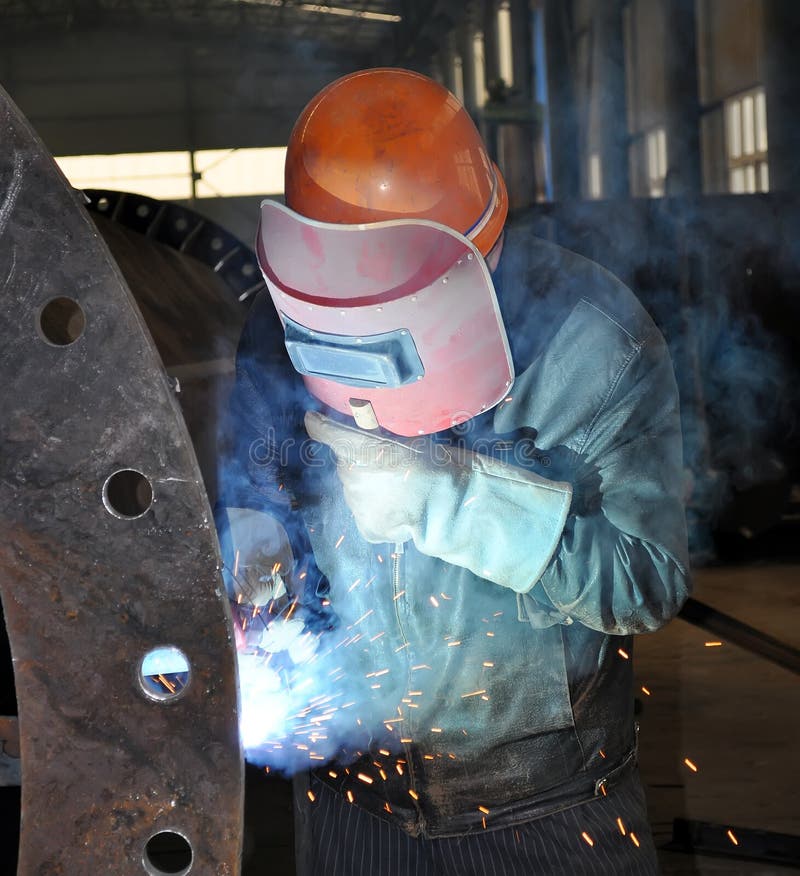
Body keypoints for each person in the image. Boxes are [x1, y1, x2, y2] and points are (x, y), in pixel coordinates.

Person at [216, 68, 689, 875]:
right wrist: (258, 544)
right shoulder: (279, 317)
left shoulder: (595, 345)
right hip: (349, 805)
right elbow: (258, 468)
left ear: (483, 244)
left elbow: (644, 584)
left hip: (545, 813)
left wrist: (446, 498)